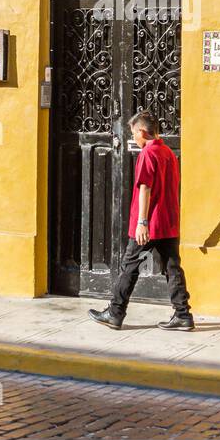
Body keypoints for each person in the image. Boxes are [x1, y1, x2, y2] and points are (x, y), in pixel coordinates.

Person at [89, 111, 194, 331]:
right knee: (173, 268)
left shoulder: (148, 153)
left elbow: (145, 188)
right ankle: (183, 314)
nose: (133, 137)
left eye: (133, 133)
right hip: (169, 221)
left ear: (141, 131)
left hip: (150, 224)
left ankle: (115, 313)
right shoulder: (167, 152)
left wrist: (142, 221)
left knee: (130, 266)